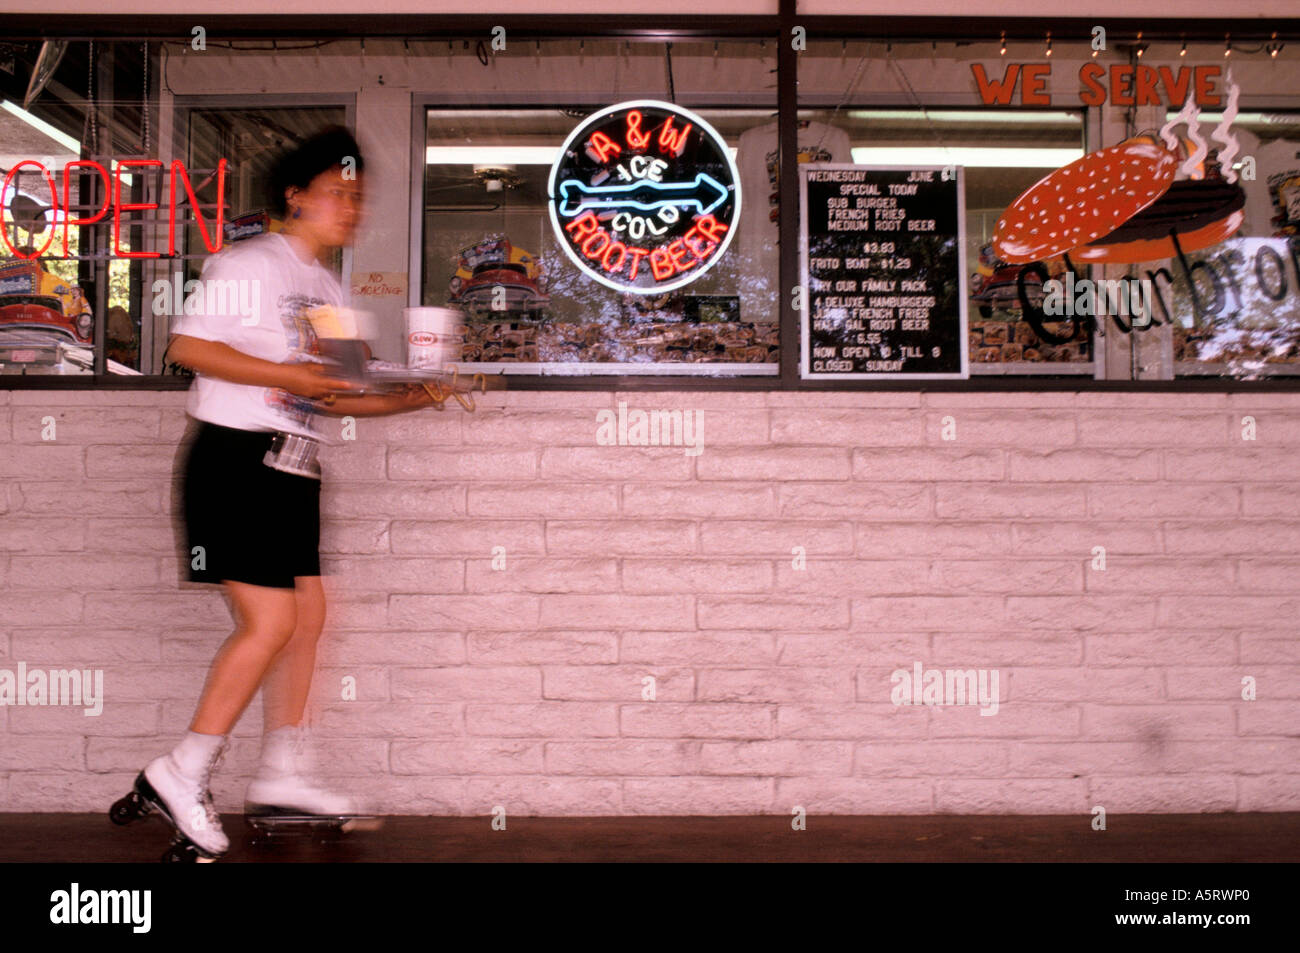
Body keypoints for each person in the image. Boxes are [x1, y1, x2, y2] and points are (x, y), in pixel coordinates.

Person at [135, 126, 436, 859]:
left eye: (356, 195)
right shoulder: (248, 261)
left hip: (294, 465)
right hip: (234, 459)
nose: (349, 206)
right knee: (269, 621)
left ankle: (282, 773)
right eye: (336, 192)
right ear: (293, 196)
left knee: (307, 616)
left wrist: (423, 393)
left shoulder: (328, 286)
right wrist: (296, 377)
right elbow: (189, 347)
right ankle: (182, 770)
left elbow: (337, 395)